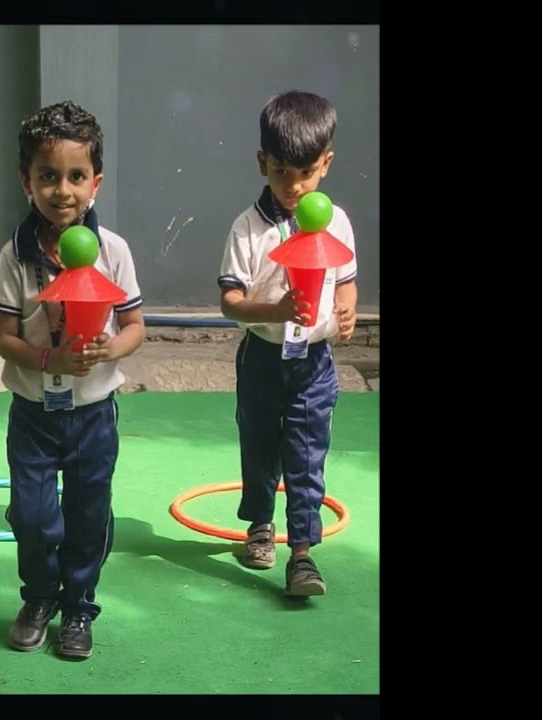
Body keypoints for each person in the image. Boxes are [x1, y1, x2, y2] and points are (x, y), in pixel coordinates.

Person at [0, 100, 145, 658]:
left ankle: (79, 608)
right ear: (26, 183)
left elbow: (134, 326)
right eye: (48, 176)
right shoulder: (15, 254)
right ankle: (38, 597)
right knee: (31, 516)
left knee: (88, 514)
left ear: (95, 183)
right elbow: (4, 338)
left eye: (77, 176)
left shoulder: (114, 251)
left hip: (93, 413)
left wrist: (110, 348)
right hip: (33, 411)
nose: (63, 190)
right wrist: (46, 360)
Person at [216, 90, 359, 597]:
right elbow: (230, 301)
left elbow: (346, 277)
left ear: (326, 164)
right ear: (262, 163)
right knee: (259, 449)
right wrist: (273, 311)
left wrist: (348, 308)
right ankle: (259, 526)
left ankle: (301, 554)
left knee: (305, 453)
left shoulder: (335, 221)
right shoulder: (248, 228)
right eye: (280, 172)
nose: (293, 186)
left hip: (314, 363)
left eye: (305, 173)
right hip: (262, 357)